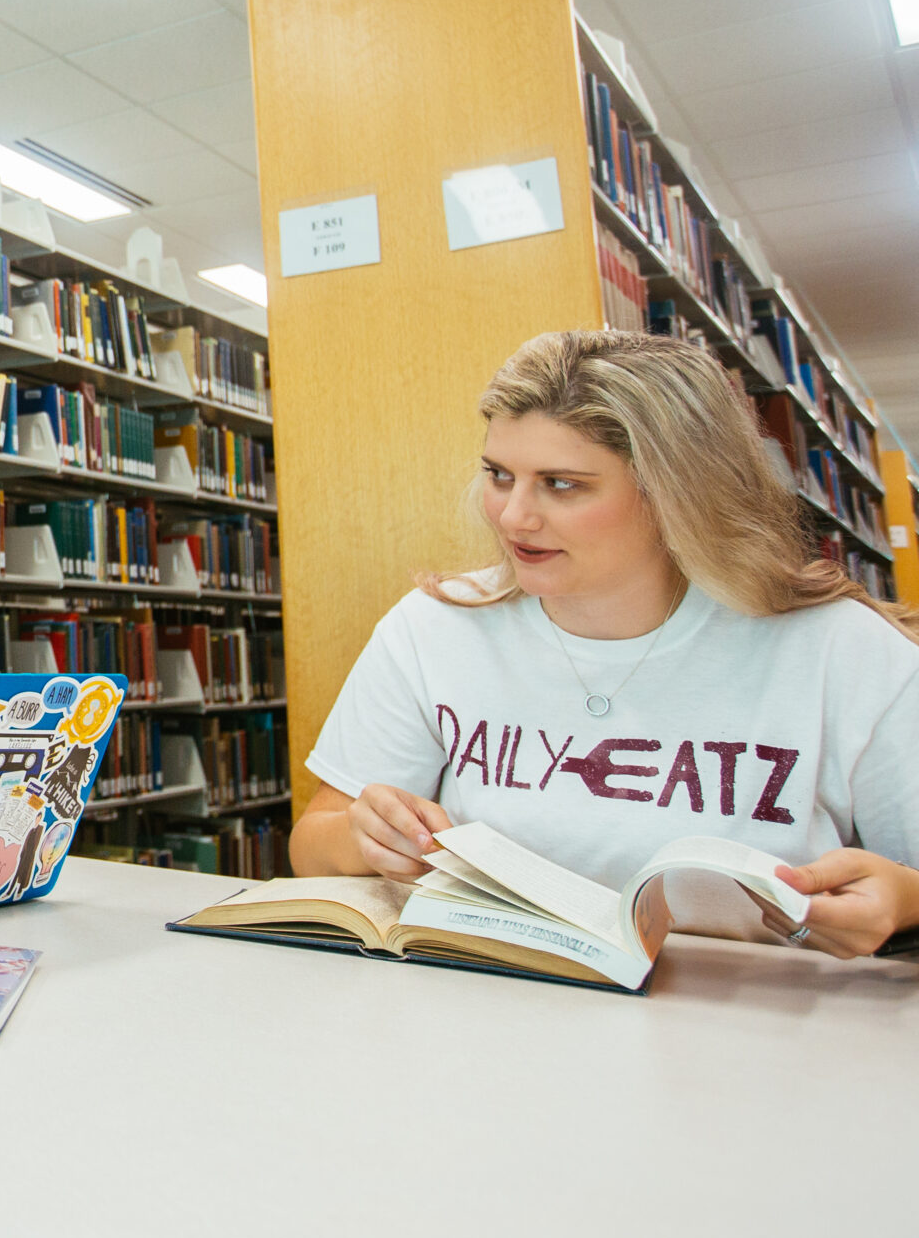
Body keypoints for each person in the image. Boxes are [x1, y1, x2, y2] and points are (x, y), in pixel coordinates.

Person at [291, 329, 919, 958]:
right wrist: (365, 837)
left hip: (764, 1026)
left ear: (676, 492)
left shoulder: (842, 649)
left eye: (562, 484)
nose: (513, 516)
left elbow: (904, 889)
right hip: (494, 1011)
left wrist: (904, 904)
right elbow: (311, 846)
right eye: (499, 475)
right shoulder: (434, 627)